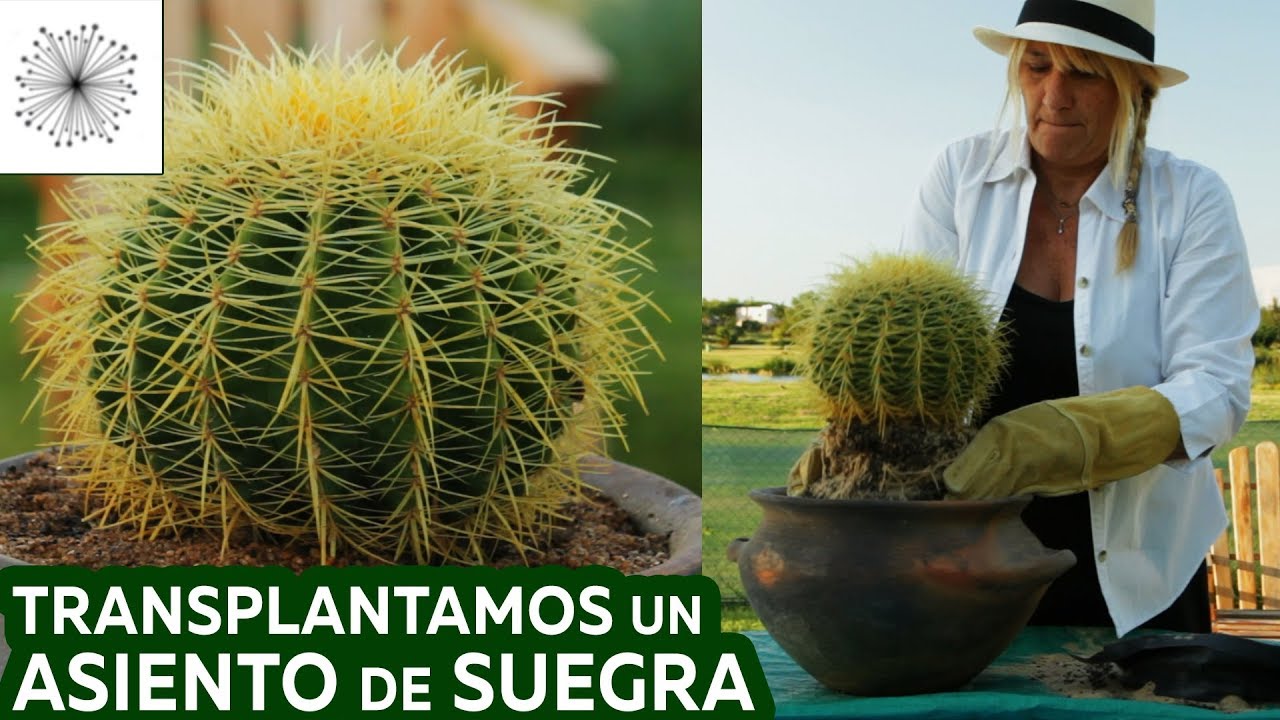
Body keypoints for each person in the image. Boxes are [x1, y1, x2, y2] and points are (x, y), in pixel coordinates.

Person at [901, 0, 1259, 637]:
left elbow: (1215, 388)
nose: (1054, 95)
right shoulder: (961, 177)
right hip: (968, 559)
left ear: (1135, 91)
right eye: (1037, 66)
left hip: (1141, 568)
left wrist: (1052, 441)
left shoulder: (1190, 198)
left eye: (1085, 73)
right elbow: (908, 351)